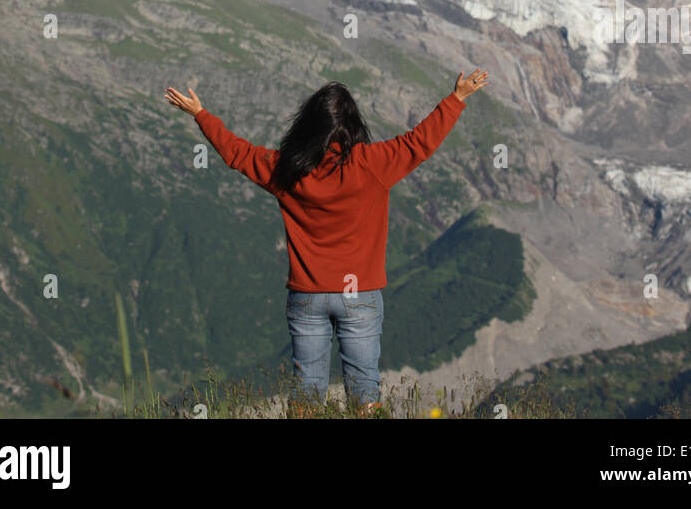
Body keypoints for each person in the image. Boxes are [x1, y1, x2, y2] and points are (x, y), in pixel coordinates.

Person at [165, 67, 489, 416]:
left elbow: (237, 154)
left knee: (306, 392)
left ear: (309, 126)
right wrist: (456, 99)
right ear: (352, 126)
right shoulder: (373, 164)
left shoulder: (286, 169)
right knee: (365, 389)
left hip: (308, 295)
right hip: (359, 294)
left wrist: (200, 115)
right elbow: (420, 142)